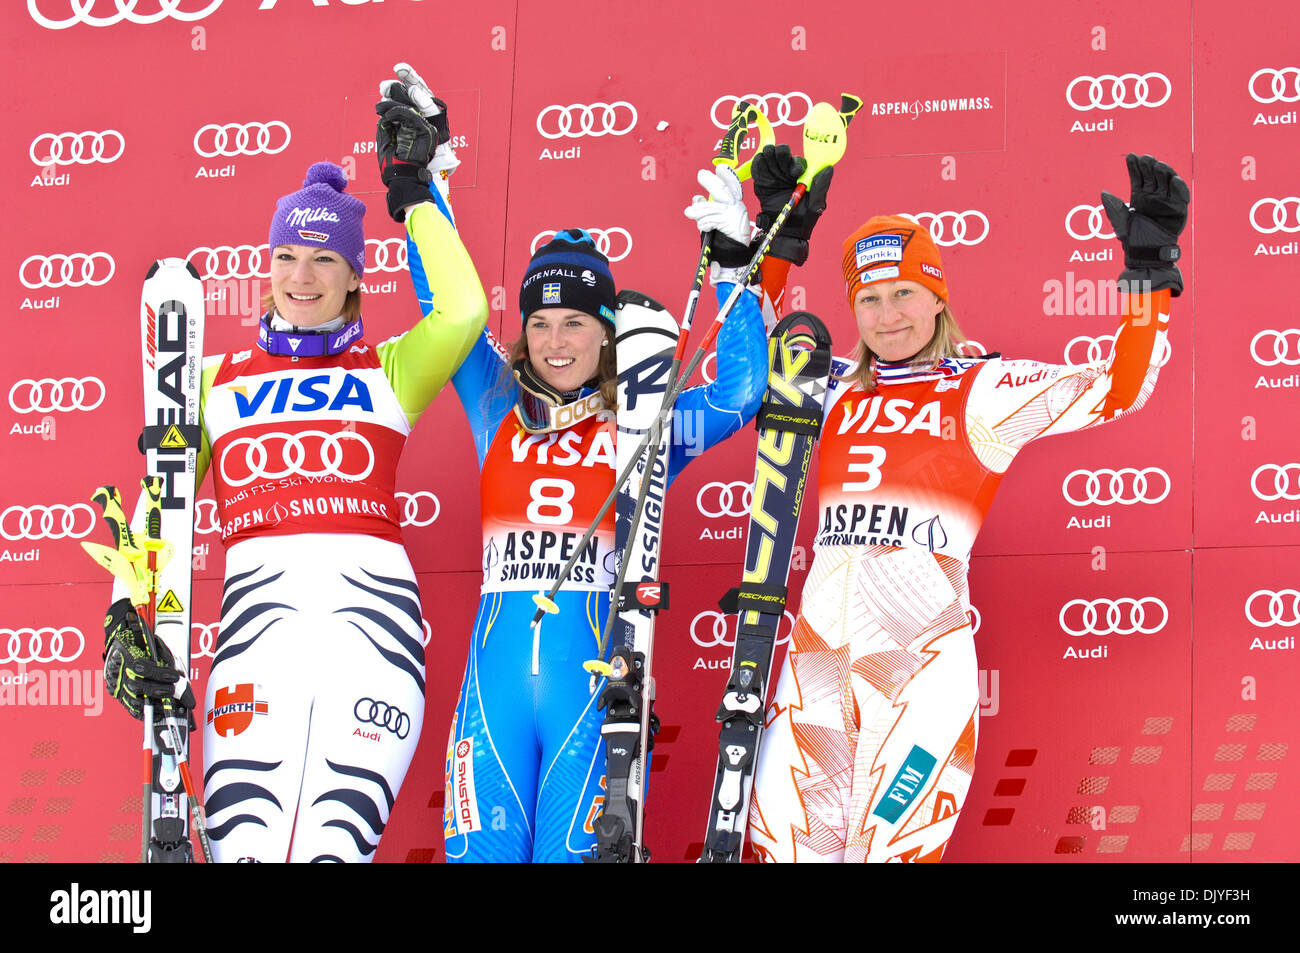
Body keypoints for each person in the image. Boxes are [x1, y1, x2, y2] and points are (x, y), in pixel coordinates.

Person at [375, 72, 832, 862]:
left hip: (595, 687)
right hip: (493, 695)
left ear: (609, 333)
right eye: (542, 321)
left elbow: (742, 390)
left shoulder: (644, 425)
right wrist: (424, 187)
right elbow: (443, 310)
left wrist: (733, 269)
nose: (556, 341)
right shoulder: (495, 403)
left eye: (577, 324)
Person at [747, 154, 1189, 862]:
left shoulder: (984, 389)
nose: (887, 315)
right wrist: (779, 239)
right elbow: (747, 357)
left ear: (938, 298)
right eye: (869, 299)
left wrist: (1149, 272)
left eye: (902, 295)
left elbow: (1119, 387)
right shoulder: (825, 390)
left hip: (918, 674)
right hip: (815, 670)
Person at [102, 159, 488, 861]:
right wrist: (122, 613)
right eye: (285, 255)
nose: (301, 277)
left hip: (371, 641)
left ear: (354, 277)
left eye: (323, 259)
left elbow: (463, 312)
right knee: (240, 853)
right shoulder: (213, 379)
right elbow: (159, 505)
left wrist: (416, 194)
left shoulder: (389, 369)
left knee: (330, 853)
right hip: (258, 642)